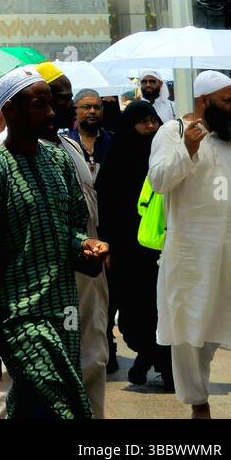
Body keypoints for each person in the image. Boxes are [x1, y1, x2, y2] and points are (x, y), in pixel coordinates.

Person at [0, 66, 108, 418]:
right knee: (67, 406)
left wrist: (86, 247)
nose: (50, 113)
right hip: (22, 318)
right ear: (11, 110)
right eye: (39, 105)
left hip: (65, 311)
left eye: (51, 104)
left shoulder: (58, 161)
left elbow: (72, 228)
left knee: (31, 407)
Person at [148, 71, 231, 419]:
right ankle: (199, 404)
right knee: (190, 333)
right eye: (227, 100)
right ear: (204, 102)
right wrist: (187, 148)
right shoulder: (170, 133)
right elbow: (159, 180)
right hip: (192, 256)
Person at [43, 66, 112, 415]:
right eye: (57, 98)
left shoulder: (69, 147)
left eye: (68, 98)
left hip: (88, 275)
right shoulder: (8, 154)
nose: (66, 106)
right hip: (46, 282)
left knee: (92, 357)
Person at [95, 100, 172, 390]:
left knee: (159, 309)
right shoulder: (117, 156)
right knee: (131, 316)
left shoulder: (162, 158)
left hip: (157, 247)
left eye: (153, 120)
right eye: (143, 121)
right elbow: (106, 203)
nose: (150, 126)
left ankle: (164, 366)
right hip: (126, 249)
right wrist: (108, 245)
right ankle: (146, 355)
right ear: (130, 124)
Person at [63, 88, 113, 169]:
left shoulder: (113, 140)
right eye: (87, 107)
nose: (92, 111)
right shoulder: (65, 142)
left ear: (102, 110)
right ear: (75, 110)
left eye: (97, 107)